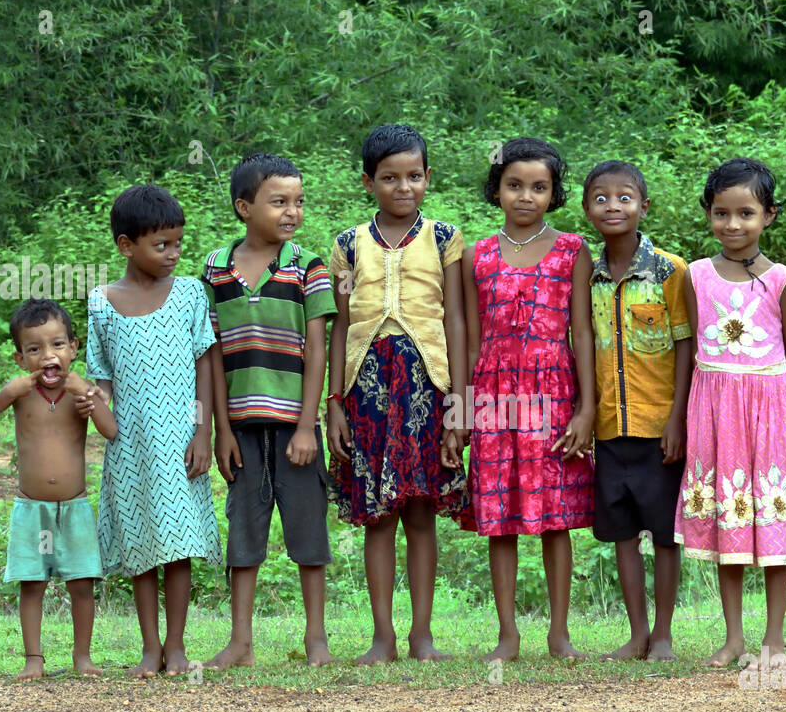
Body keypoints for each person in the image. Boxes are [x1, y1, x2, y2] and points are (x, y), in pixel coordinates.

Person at [326, 125, 469, 665]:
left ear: (428, 178)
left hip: (428, 385)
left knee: (421, 511)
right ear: (368, 182)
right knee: (378, 513)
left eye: (413, 176)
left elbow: (454, 319)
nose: (402, 187)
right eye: (389, 178)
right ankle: (381, 635)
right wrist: (334, 400)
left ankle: (422, 635)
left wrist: (460, 402)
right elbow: (340, 327)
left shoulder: (443, 238)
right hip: (366, 387)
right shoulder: (346, 244)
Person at [676, 158, 786, 669]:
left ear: (769, 216)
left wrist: (767, 406)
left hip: (771, 415)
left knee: (772, 521)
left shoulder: (783, 279)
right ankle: (734, 637)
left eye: (746, 213)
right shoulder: (694, 276)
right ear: (709, 214)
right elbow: (694, 347)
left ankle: (775, 639)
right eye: (721, 213)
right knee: (727, 524)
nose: (733, 225)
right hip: (714, 414)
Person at [461, 136, 595, 661]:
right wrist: (466, 411)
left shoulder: (572, 249)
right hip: (494, 397)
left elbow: (581, 332)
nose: (526, 196)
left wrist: (586, 408)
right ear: (497, 189)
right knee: (501, 515)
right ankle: (507, 634)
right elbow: (472, 339)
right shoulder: (477, 254)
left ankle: (559, 634)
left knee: (555, 515)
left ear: (553, 193)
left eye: (539, 187)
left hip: (554, 392)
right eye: (514, 185)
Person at [202, 154, 336, 669]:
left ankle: (316, 638)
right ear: (244, 207)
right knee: (244, 531)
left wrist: (308, 425)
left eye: (298, 202)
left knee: (308, 530)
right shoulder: (215, 269)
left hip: (294, 427)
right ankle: (240, 642)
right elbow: (211, 351)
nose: (291, 211)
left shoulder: (308, 266)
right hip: (240, 426)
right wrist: (219, 430)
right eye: (279, 201)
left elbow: (318, 348)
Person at [86, 184, 223, 678]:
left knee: (179, 545)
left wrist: (202, 431)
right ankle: (149, 648)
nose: (172, 253)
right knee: (141, 546)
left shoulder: (188, 293)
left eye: (177, 243)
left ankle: (178, 646)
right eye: (160, 245)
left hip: (181, 441)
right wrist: (98, 418)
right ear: (126, 246)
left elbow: (206, 363)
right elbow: (100, 378)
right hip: (130, 445)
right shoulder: (101, 302)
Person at [0, 297, 117, 681]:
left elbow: (110, 429)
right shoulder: (20, 395)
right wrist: (7, 393)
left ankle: (82, 656)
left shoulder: (80, 393)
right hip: (32, 509)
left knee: (81, 585)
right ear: (20, 359)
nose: (47, 356)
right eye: (34, 349)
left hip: (75, 508)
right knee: (33, 585)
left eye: (56, 345)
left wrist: (88, 395)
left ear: (73, 348)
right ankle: (33, 658)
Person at [582, 160, 692, 662]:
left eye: (624, 197)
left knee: (666, 534)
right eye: (601, 198)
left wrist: (677, 419)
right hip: (608, 427)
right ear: (586, 209)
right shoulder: (586, 275)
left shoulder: (671, 270)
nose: (613, 206)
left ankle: (664, 634)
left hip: (658, 426)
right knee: (622, 533)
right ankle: (637, 634)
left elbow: (686, 348)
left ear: (644, 206)